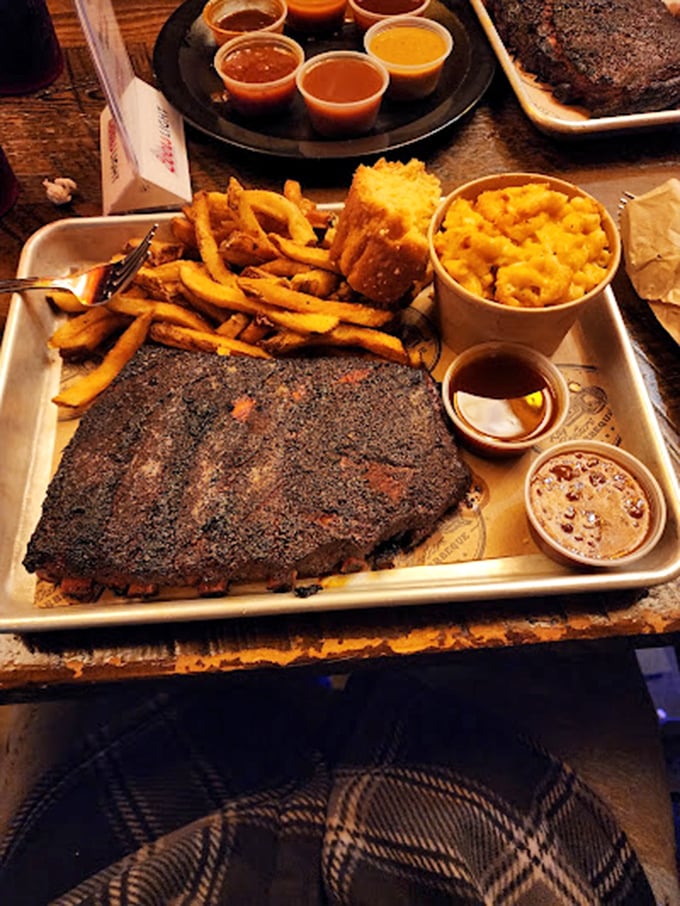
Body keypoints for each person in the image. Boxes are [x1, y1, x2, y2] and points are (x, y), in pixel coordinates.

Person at [0, 645, 676, 905]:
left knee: (230, 696)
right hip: (489, 838)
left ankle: (288, 709)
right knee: (570, 666)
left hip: (116, 861)